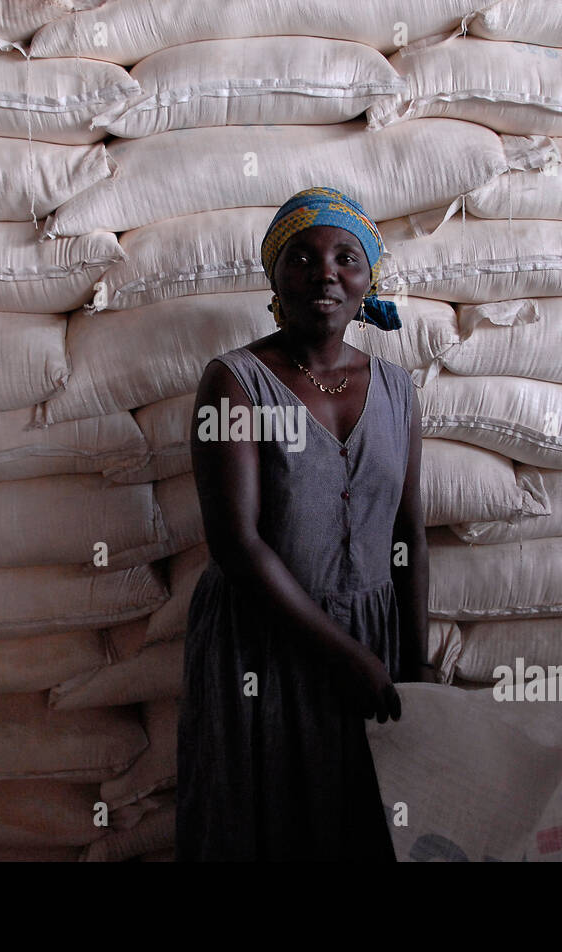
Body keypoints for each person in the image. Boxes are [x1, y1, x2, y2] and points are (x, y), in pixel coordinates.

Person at [175, 187, 432, 862]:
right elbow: (237, 544)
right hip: (262, 642)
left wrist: (416, 659)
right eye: (302, 257)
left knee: (358, 829)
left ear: (367, 280)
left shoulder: (399, 389)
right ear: (275, 278)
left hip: (373, 637)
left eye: (347, 257)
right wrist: (347, 658)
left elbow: (407, 533)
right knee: (263, 825)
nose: (326, 271)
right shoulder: (232, 382)